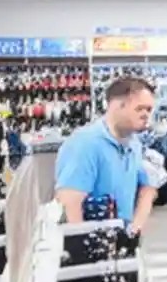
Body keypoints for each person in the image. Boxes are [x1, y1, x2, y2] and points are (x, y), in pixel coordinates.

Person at [54, 76, 158, 231]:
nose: (145, 115)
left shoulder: (134, 143)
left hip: (118, 241)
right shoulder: (86, 143)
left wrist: (134, 230)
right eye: (139, 108)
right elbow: (70, 202)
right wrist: (83, 247)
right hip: (92, 244)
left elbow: (149, 188)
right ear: (117, 106)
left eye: (149, 109)